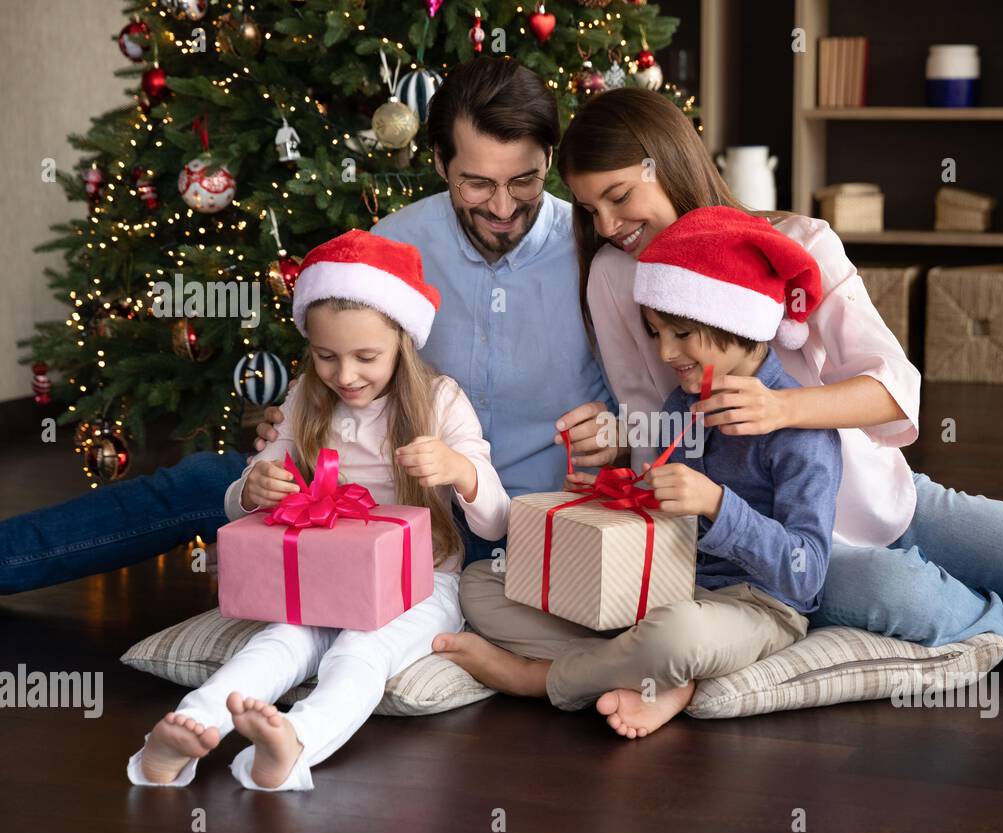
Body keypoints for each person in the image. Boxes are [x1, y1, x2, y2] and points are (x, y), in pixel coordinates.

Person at [502, 87, 1003, 662]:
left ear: (667, 163)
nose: (610, 226)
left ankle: (958, 590)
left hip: (885, 505)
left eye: (619, 198)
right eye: (591, 211)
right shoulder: (618, 279)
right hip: (777, 552)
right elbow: (652, 418)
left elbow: (892, 387)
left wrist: (781, 411)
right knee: (896, 591)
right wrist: (617, 438)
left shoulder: (802, 243)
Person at [0, 56, 611, 594]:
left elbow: (649, 391)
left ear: (550, 159)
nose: (502, 208)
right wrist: (298, 419)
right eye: (476, 183)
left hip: (531, 521)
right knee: (200, 482)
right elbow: (343, 357)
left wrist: (619, 432)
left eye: (523, 181)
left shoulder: (596, 251)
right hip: (378, 512)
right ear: (438, 162)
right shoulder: (392, 242)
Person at [126, 230, 509, 791]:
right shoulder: (308, 397)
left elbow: (497, 522)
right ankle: (178, 738)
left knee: (361, 651)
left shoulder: (442, 401)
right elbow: (241, 502)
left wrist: (460, 470)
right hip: (324, 577)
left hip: (422, 584)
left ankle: (293, 745)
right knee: (279, 643)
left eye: (366, 357)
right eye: (327, 356)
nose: (346, 375)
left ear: (402, 340)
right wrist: (254, 488)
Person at [443, 207, 842, 738]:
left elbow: (807, 576)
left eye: (681, 333)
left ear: (738, 322)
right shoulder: (681, 406)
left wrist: (718, 506)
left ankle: (540, 679)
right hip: (661, 591)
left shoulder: (801, 430)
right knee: (484, 583)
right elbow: (657, 518)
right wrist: (611, 493)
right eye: (655, 333)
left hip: (756, 607)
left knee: (676, 637)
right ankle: (651, 676)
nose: (665, 352)